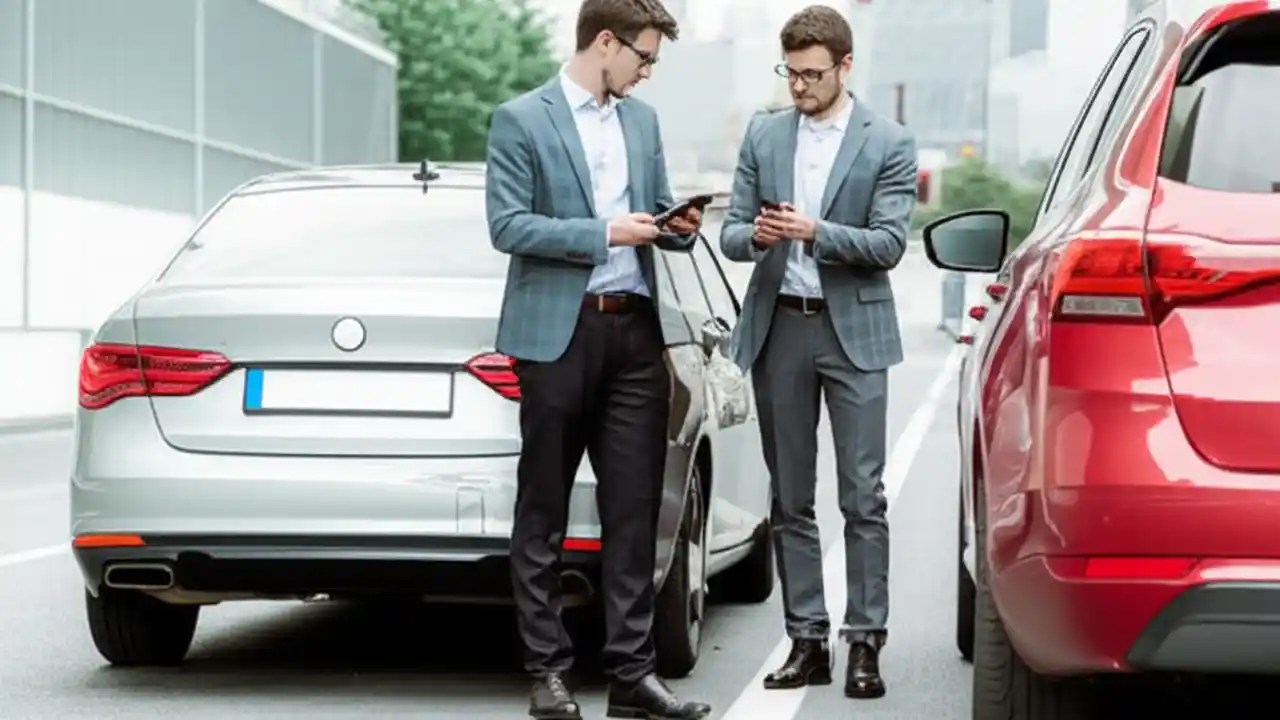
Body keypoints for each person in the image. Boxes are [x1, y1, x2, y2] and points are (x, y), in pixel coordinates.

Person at [484, 1, 712, 718]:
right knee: (543, 511)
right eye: (642, 57)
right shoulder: (521, 119)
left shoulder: (641, 122)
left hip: (634, 335)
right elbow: (508, 225)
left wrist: (677, 226)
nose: (647, 71)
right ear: (604, 42)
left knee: (634, 512)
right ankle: (548, 673)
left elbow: (653, 213)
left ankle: (631, 677)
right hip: (558, 337)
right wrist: (606, 231)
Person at [718, 4, 918, 701]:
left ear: (844, 67)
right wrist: (766, 237)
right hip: (782, 329)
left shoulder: (888, 141)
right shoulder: (765, 134)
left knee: (863, 496)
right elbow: (732, 235)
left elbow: (889, 245)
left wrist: (815, 231)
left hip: (854, 332)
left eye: (811, 74)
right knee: (791, 498)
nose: (799, 86)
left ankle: (865, 642)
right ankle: (808, 640)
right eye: (791, 73)